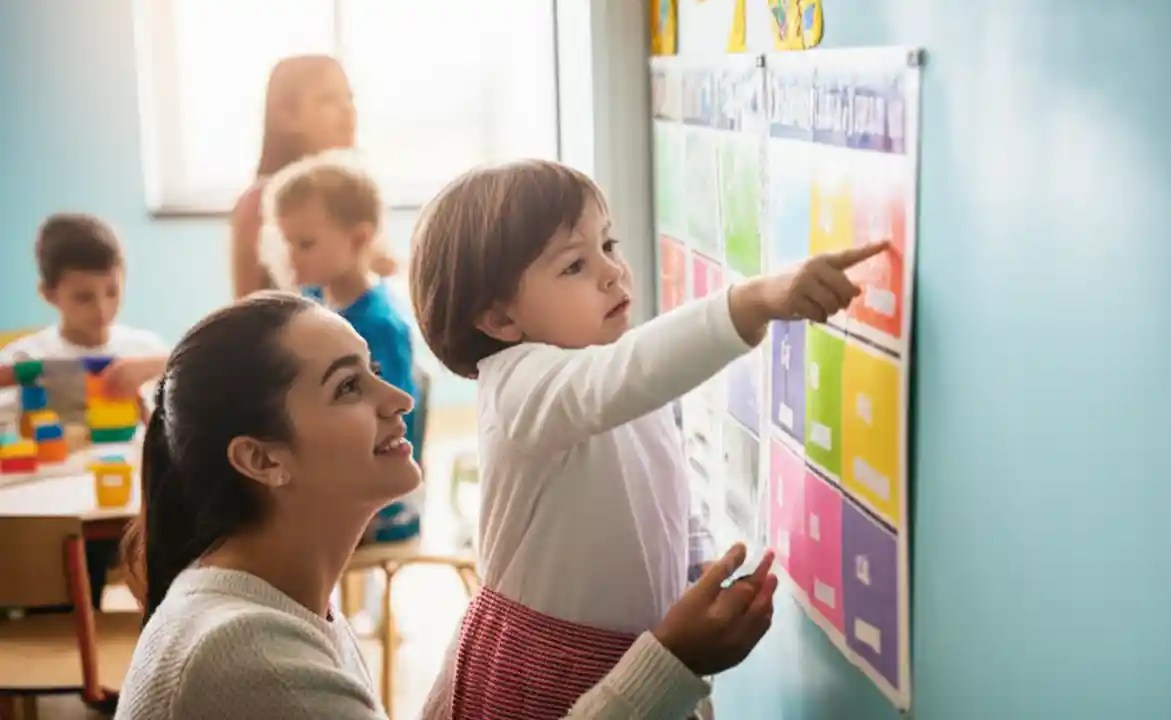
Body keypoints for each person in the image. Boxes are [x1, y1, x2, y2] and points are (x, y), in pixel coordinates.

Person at [113, 291, 777, 720]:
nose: (396, 399)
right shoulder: (245, 652)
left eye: (372, 367)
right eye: (348, 387)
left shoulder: (275, 606)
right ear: (261, 459)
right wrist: (671, 661)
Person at [410, 159, 889, 718]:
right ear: (498, 320)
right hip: (537, 673)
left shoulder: (610, 372)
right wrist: (752, 302)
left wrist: (695, 578)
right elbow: (625, 377)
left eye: (609, 245)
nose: (613, 272)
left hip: (631, 659)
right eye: (574, 266)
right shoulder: (517, 385)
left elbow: (661, 495)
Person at [0, 213, 168, 609]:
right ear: (48, 294)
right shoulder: (27, 357)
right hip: (55, 508)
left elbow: (185, 413)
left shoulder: (144, 350)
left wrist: (159, 365)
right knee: (54, 564)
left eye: (112, 290)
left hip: (124, 503)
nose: (102, 307)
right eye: (83, 296)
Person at [268, 152, 419, 544]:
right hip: (330, 476)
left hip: (379, 501)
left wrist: (364, 505)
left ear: (358, 240)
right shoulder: (312, 303)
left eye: (305, 243)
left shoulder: (381, 325)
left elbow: (394, 420)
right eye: (288, 242)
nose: (291, 256)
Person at [230, 55, 396, 300]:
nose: (347, 109)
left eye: (349, 97)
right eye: (328, 99)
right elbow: (245, 310)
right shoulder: (257, 202)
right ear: (286, 116)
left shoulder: (355, 190)